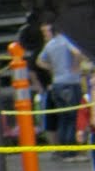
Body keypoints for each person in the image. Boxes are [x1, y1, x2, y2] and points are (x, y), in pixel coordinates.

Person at [35, 14, 84, 153]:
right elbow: (77, 53)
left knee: (63, 119)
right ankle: (71, 150)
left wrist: (52, 67)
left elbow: (39, 61)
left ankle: (63, 150)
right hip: (70, 82)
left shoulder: (50, 44)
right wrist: (75, 66)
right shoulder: (67, 40)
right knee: (73, 118)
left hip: (57, 83)